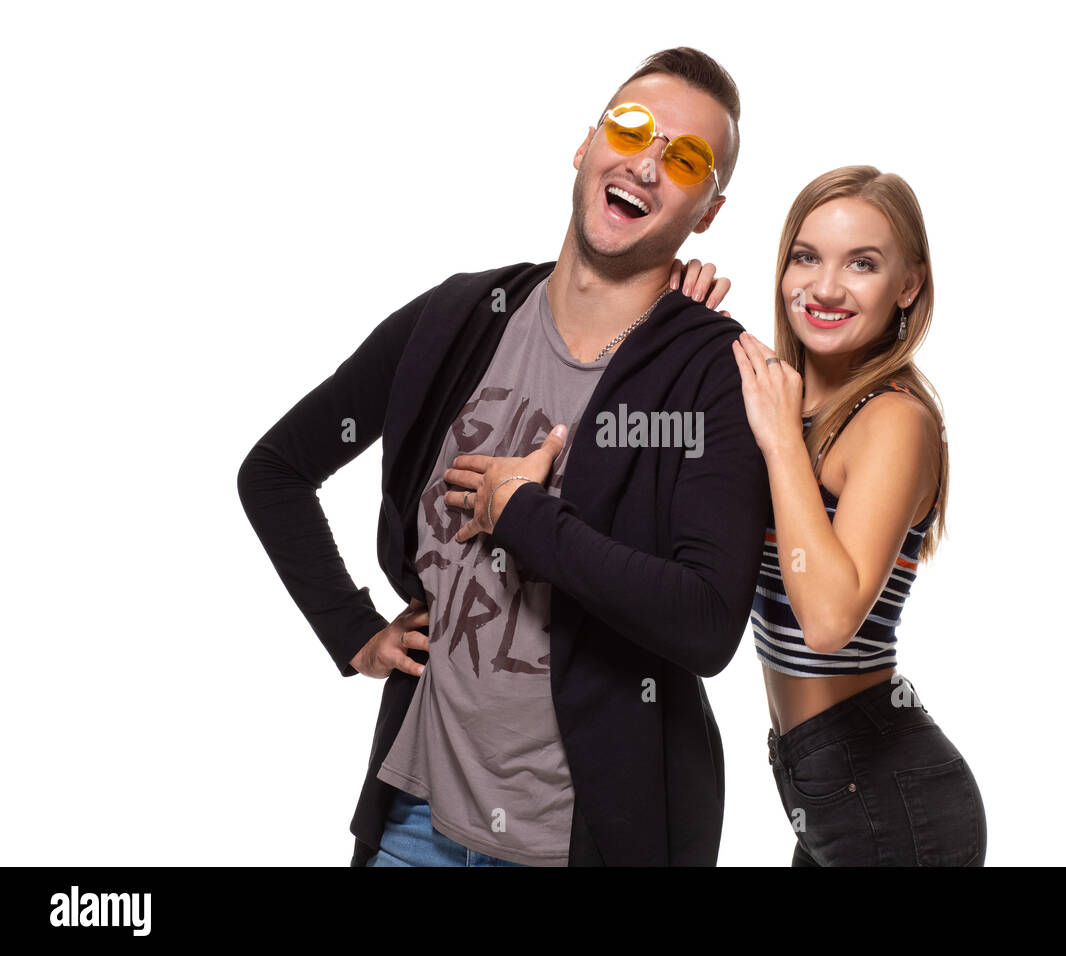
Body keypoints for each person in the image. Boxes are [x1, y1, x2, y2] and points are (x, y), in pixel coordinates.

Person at [236, 47, 767, 866]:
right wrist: (352, 631)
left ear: (708, 212)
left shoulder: (711, 373)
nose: (649, 163)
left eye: (687, 157)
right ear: (587, 144)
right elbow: (275, 471)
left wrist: (524, 517)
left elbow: (704, 625)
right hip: (418, 824)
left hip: (590, 843)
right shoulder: (458, 319)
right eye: (632, 129)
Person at [732, 165, 988, 866]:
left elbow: (828, 621)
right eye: (806, 256)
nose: (825, 287)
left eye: (863, 264)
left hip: (889, 799)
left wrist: (780, 440)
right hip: (822, 790)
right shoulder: (784, 406)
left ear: (908, 286)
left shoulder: (894, 419)